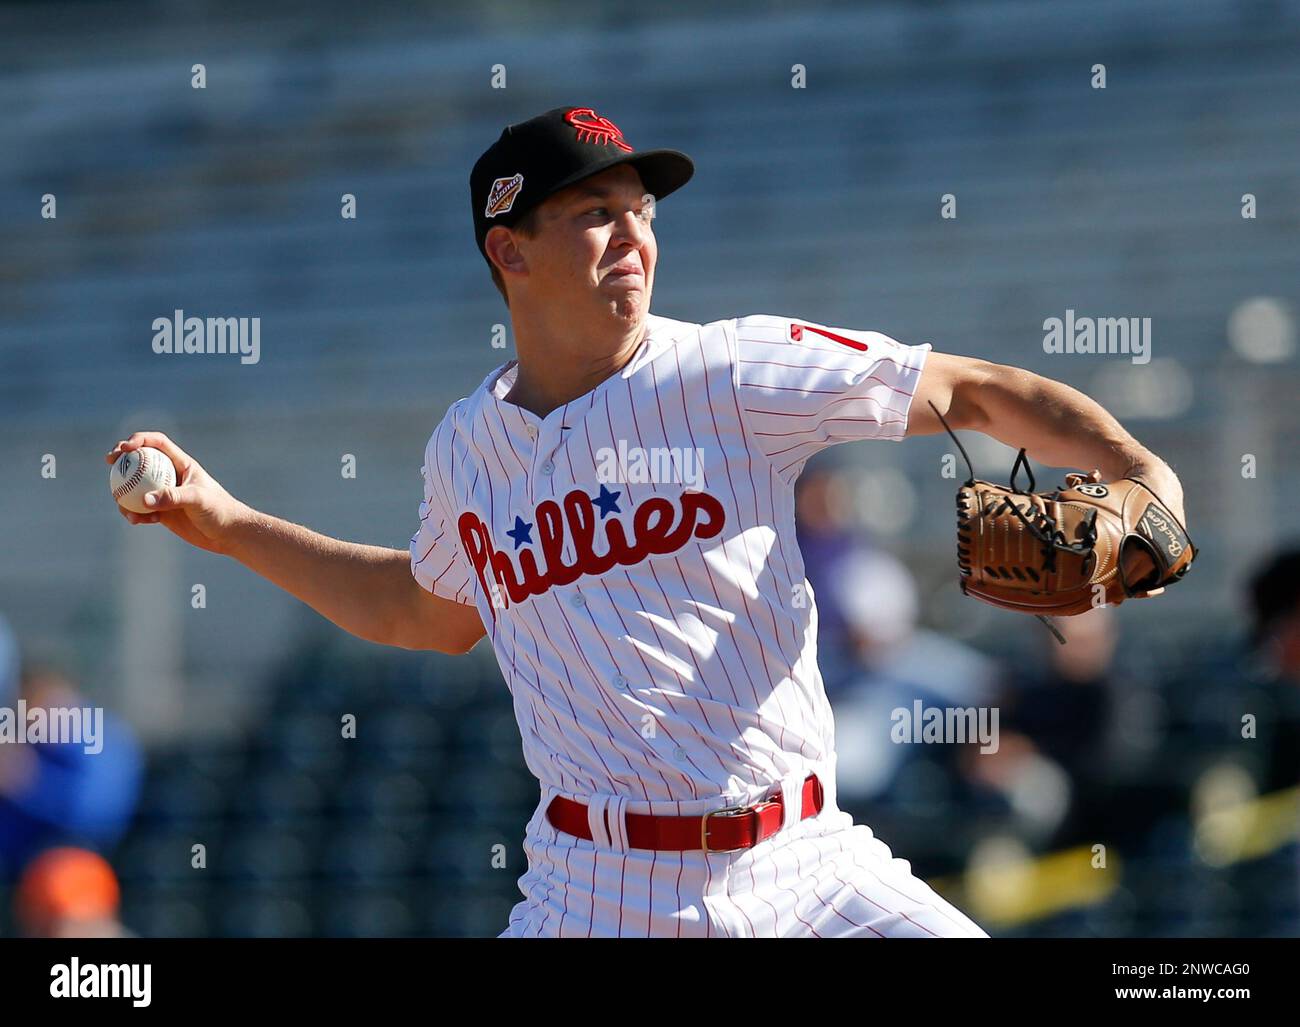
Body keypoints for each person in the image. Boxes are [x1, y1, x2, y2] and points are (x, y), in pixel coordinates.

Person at [105, 105, 1187, 937]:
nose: (631, 236)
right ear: (508, 251)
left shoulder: (730, 372)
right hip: (597, 888)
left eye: (640, 213)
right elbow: (425, 612)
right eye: (592, 215)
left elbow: (972, 391)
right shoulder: (466, 448)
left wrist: (1140, 471)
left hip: (805, 861)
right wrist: (228, 521)